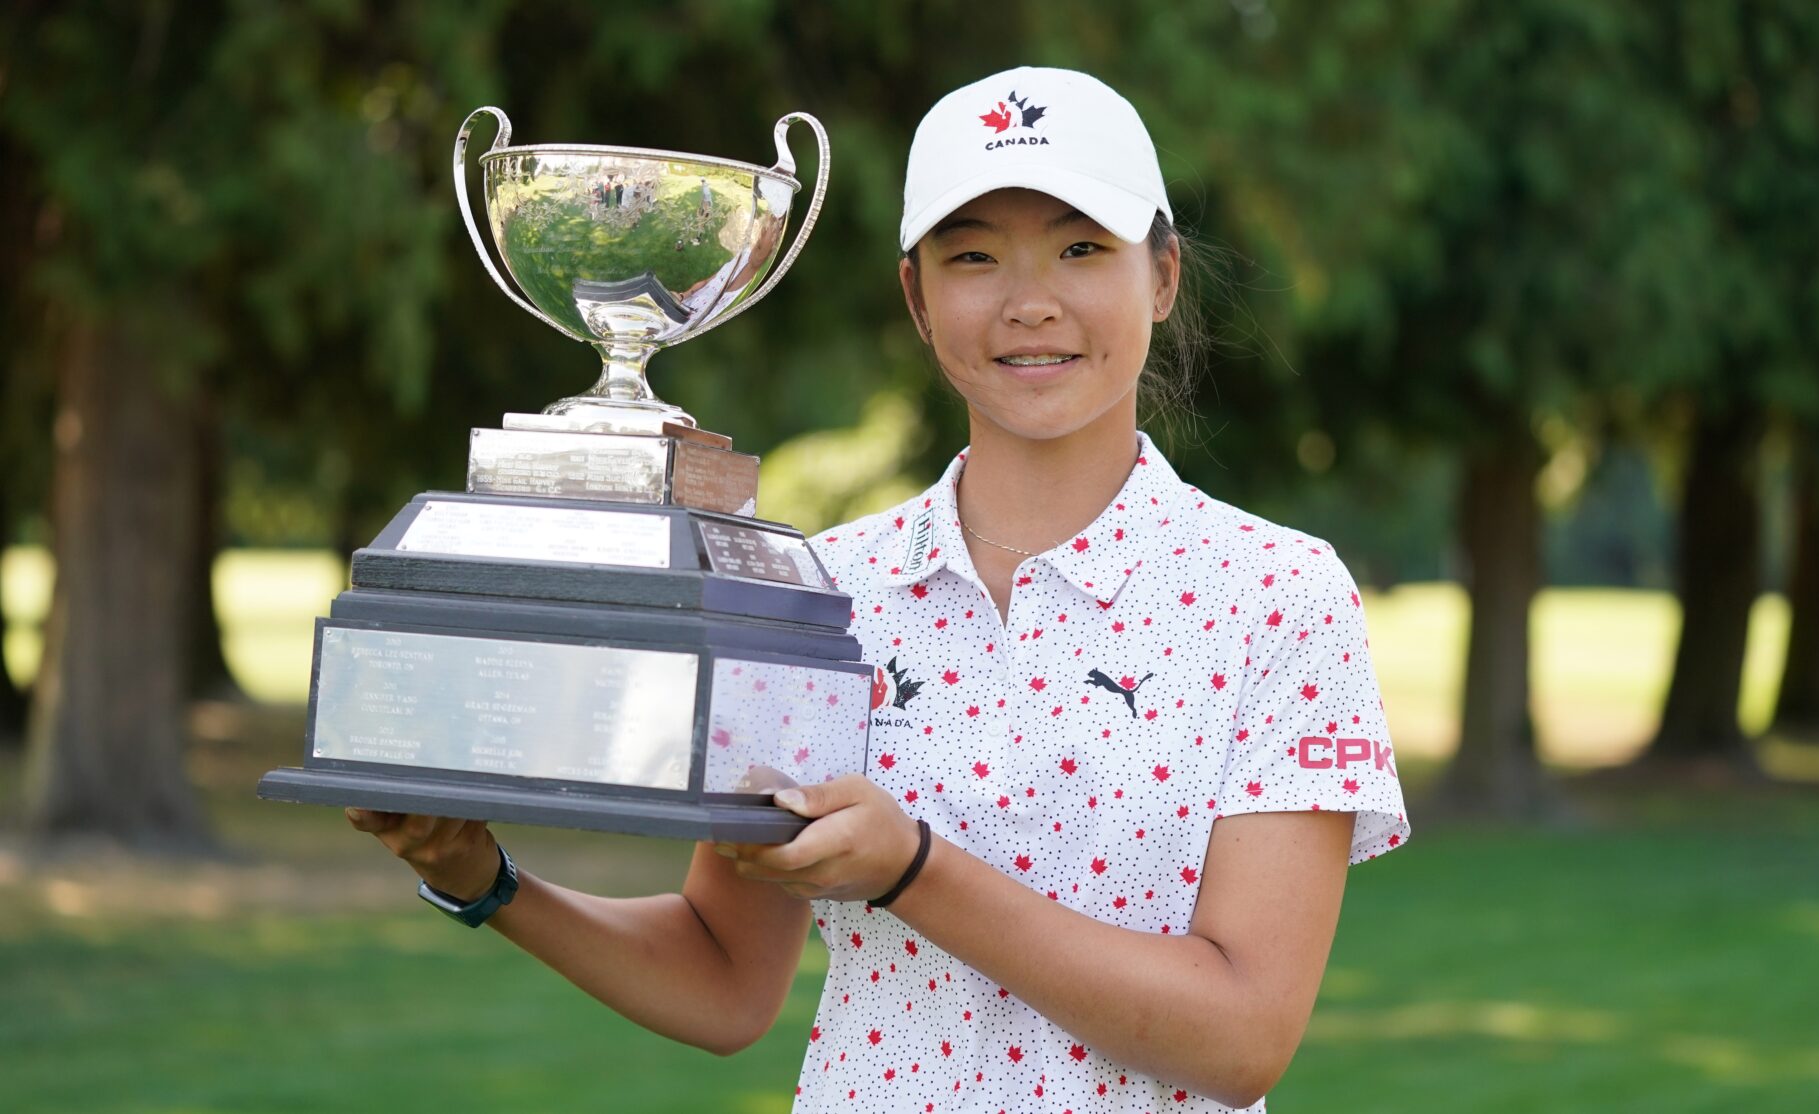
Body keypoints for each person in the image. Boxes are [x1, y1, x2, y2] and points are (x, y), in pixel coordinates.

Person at [348, 65, 1410, 1112]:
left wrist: (913, 870)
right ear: (918, 297)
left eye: (1082, 248)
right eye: (974, 255)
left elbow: (1241, 1038)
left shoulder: (1279, 595)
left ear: (1163, 276)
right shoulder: (820, 589)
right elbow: (725, 975)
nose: (1030, 303)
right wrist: (484, 880)